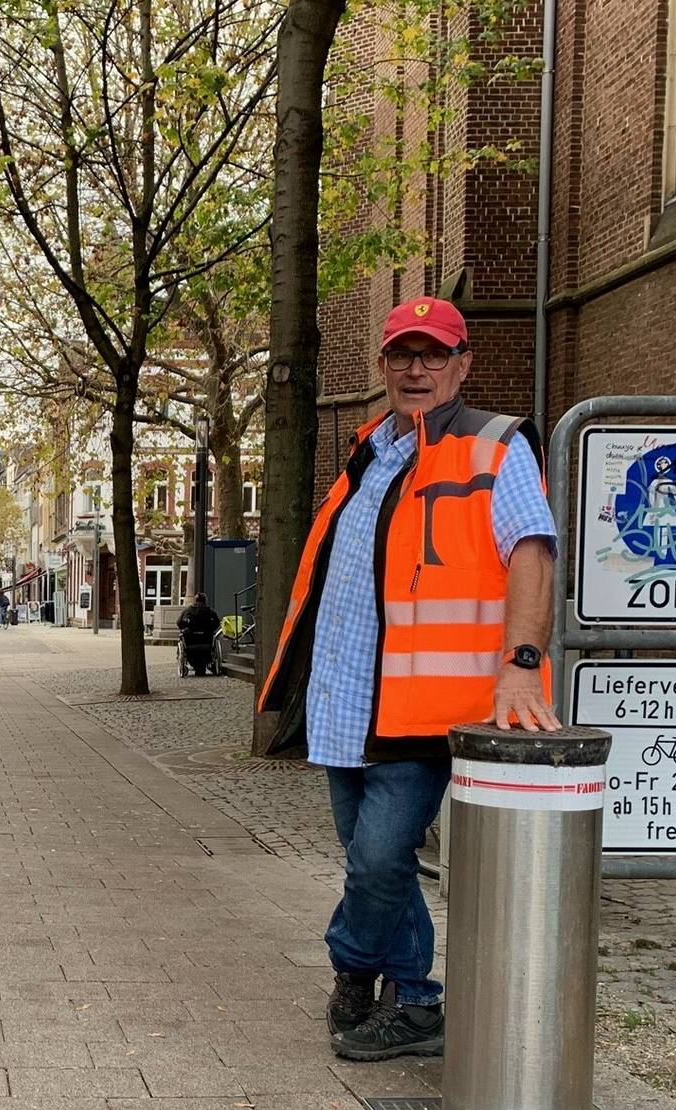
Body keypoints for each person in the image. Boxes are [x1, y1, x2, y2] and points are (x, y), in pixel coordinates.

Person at [256, 296, 559, 1063]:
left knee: (379, 859)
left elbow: (533, 549)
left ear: (462, 365)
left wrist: (522, 663)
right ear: (383, 366)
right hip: (346, 702)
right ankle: (413, 992)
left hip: (427, 707)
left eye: (433, 354)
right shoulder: (366, 453)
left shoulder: (494, 448)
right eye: (402, 354)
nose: (416, 369)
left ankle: (360, 966)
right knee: (373, 861)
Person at [177, 593, 222, 675]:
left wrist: (185, 628)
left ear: (195, 600)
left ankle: (196, 666)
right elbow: (217, 623)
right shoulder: (210, 612)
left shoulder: (187, 611)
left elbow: (179, 623)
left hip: (190, 641)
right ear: (205, 601)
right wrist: (210, 629)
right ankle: (205, 666)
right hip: (206, 641)